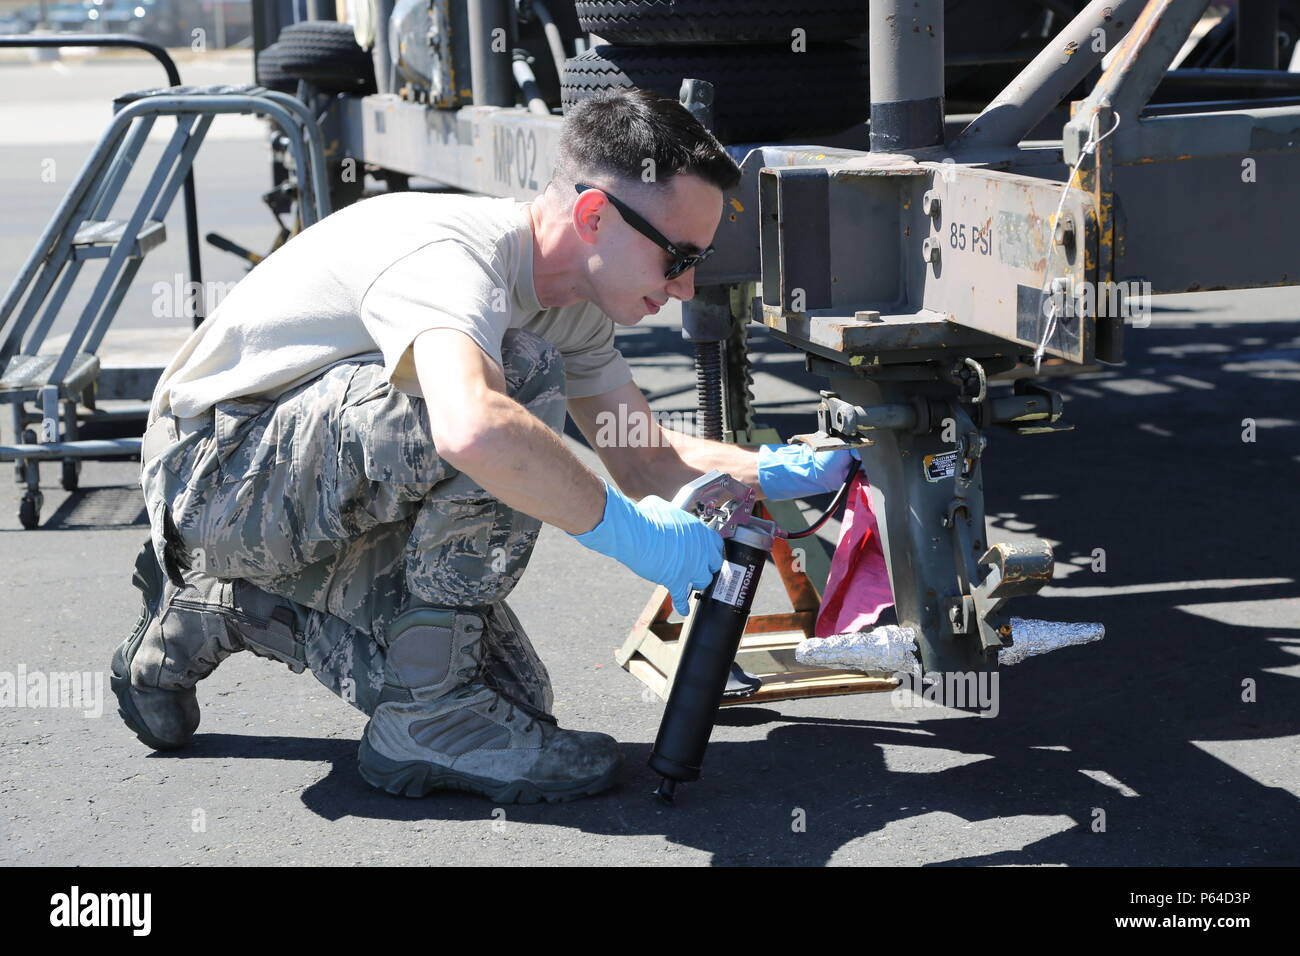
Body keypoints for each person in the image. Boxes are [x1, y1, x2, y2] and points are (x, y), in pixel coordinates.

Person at [112, 87, 853, 804]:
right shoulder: (449, 258)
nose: (686, 290)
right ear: (594, 215)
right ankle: (426, 714)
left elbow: (646, 459)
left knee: (512, 701)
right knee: (514, 381)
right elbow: (473, 426)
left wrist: (793, 472)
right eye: (677, 258)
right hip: (213, 481)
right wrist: (641, 541)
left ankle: (224, 606)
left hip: (299, 490)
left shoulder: (575, 308)